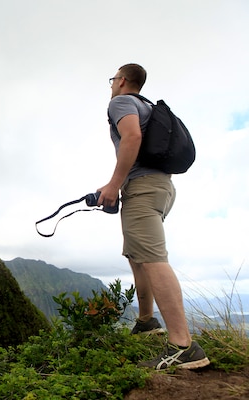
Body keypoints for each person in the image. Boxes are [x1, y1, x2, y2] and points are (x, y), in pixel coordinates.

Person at [97, 63, 209, 370]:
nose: (112, 85)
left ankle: (183, 346)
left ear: (122, 80)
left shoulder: (120, 102)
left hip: (143, 188)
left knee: (152, 258)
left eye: (113, 79)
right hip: (161, 187)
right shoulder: (146, 106)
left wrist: (113, 185)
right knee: (138, 256)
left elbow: (132, 137)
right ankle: (146, 321)